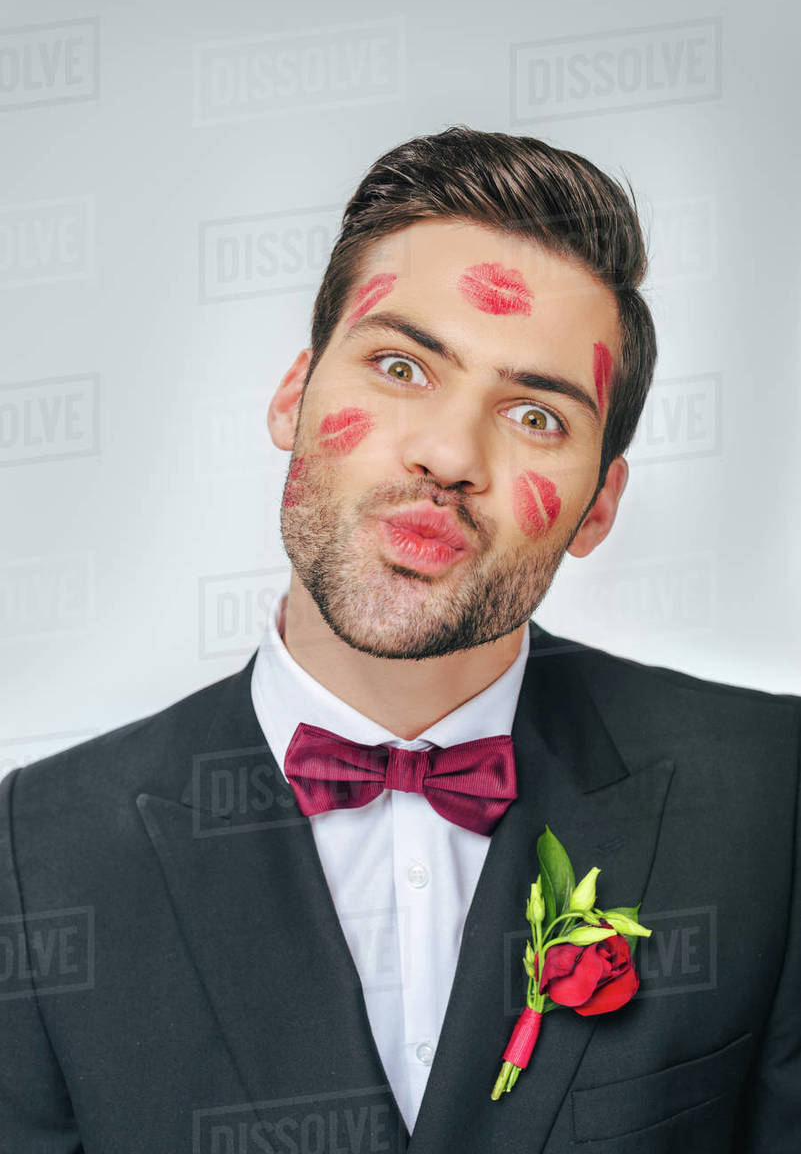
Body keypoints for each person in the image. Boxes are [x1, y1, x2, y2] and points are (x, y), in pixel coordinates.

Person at [0, 127, 798, 1154]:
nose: (448, 454)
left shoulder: (772, 796)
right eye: (400, 366)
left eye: (536, 416)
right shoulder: (35, 856)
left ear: (599, 506)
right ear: (293, 395)